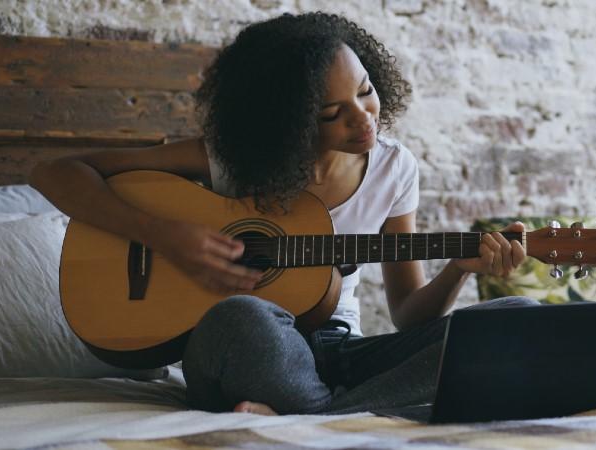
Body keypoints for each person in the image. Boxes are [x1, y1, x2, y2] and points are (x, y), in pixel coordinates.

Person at [29, 12, 535, 416]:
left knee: (517, 319)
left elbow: (408, 316)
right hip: (245, 352)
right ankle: (347, 412)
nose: (363, 117)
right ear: (286, 120)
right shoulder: (231, 162)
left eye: (365, 91)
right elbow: (55, 172)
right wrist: (165, 237)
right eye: (331, 113)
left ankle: (311, 412)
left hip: (340, 352)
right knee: (242, 314)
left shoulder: (393, 169)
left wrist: (457, 270)